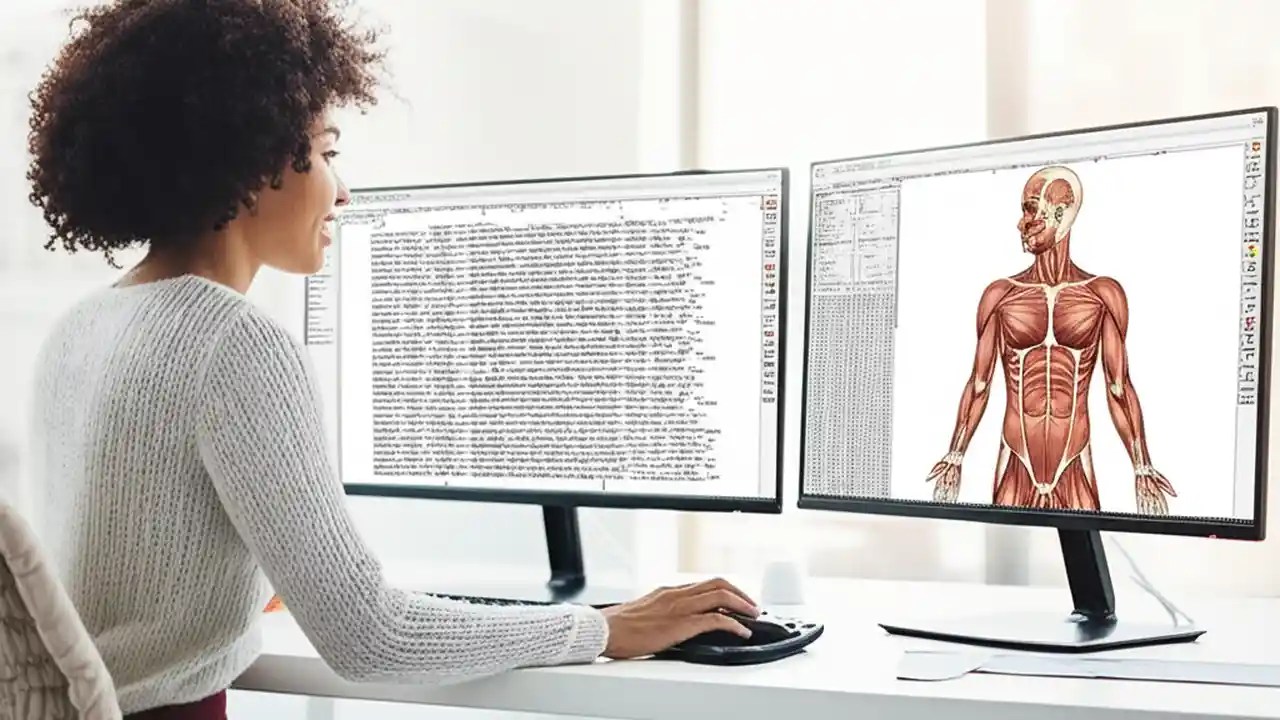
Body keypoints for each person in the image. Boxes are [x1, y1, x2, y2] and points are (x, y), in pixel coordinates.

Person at [23, 1, 758, 717]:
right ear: (251, 160)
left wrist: (259, 579)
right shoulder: (235, 341)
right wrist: (604, 628)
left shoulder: (80, 330)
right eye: (329, 152)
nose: (342, 192)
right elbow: (368, 637)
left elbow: (125, 583)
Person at [925, 165, 1177, 515]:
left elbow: (1118, 387)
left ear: (1060, 213)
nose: (1020, 223)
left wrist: (1141, 465)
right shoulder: (1001, 295)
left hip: (1073, 463)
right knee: (1009, 561)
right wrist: (955, 455)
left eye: (1030, 209)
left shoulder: (1102, 295)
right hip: (1016, 460)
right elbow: (980, 383)